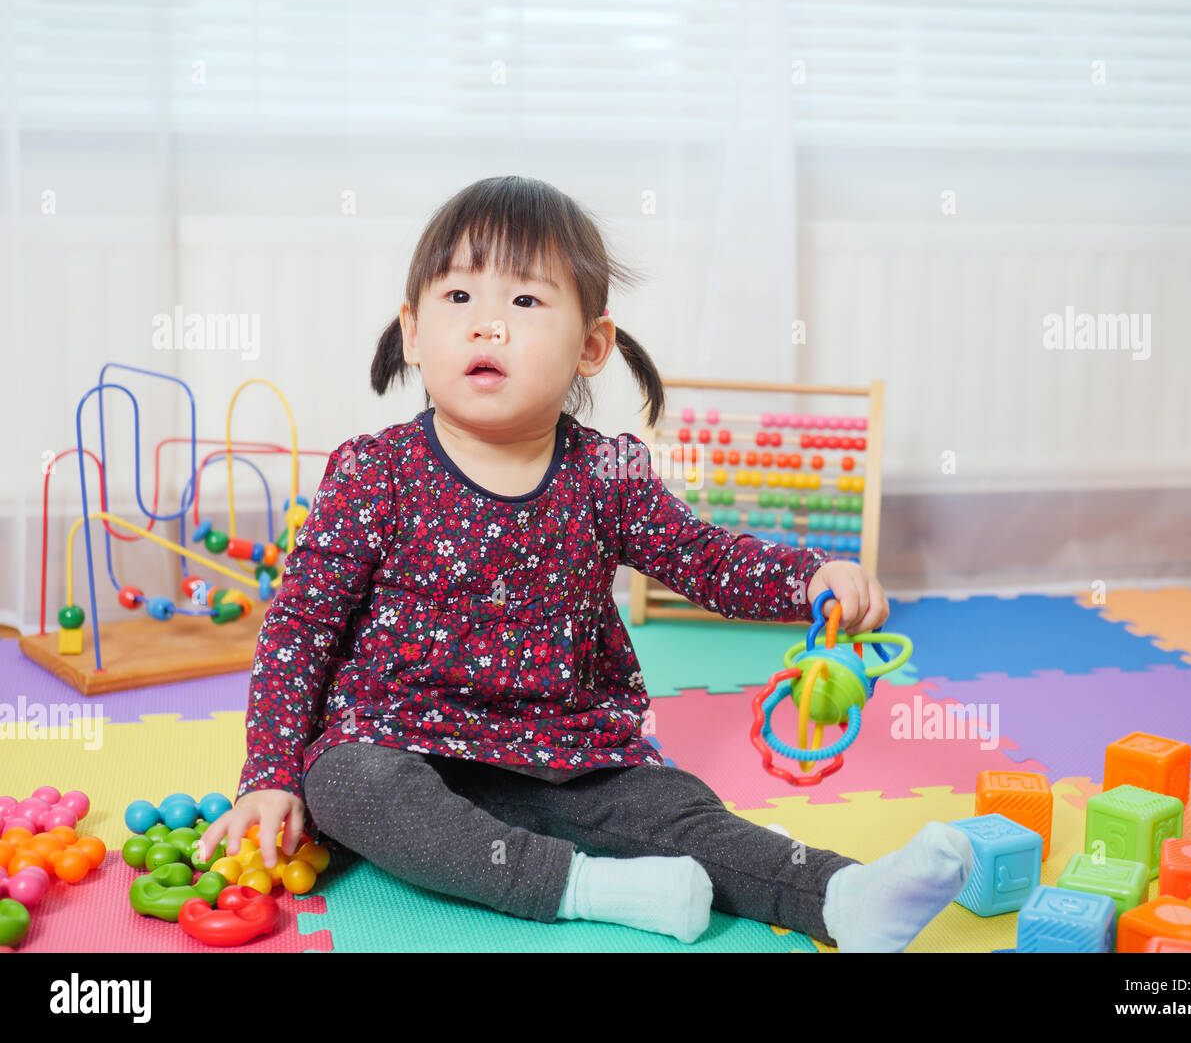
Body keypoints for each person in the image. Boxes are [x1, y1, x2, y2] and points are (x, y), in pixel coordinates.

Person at [196, 175, 972, 951]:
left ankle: (841, 894)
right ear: (411, 330)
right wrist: (268, 774)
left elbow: (703, 556)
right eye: (459, 298)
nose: (488, 327)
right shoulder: (375, 473)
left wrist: (807, 576)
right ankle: (586, 888)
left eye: (525, 303)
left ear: (591, 346)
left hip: (569, 752)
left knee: (679, 811)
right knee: (344, 784)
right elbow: (300, 629)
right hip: (402, 743)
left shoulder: (607, 473)